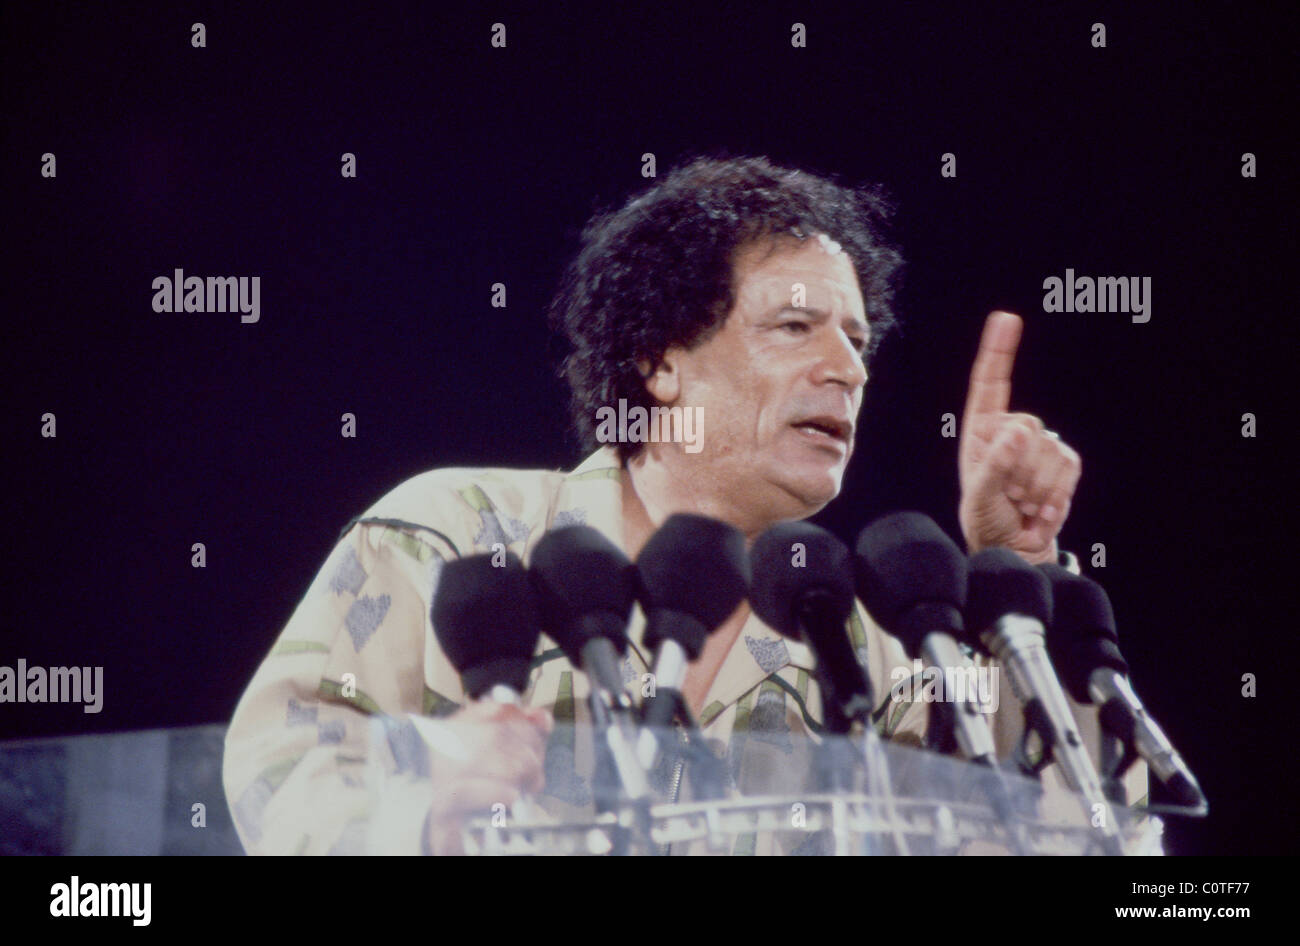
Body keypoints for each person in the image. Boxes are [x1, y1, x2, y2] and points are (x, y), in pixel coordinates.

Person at [222, 155, 1147, 855]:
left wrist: (1017, 577)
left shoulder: (865, 632)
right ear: (661, 363)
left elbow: (1066, 831)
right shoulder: (458, 533)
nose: (849, 366)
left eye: (859, 340)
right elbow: (279, 764)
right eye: (795, 326)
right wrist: (420, 805)